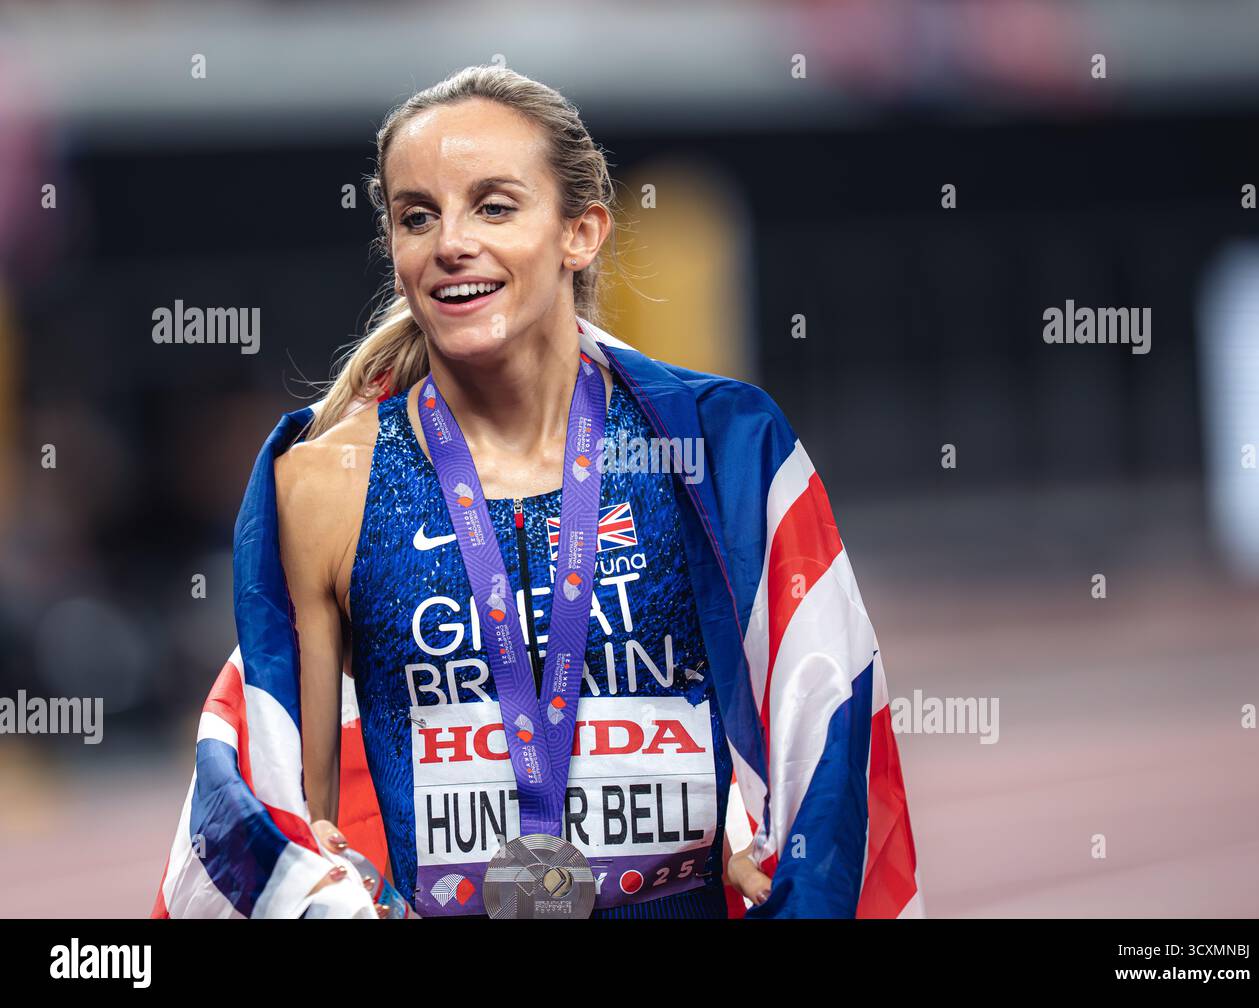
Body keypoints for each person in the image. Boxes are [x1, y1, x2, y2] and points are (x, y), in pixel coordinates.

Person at [152, 65, 920, 920]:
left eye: (494, 205)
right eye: (417, 216)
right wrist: (326, 876)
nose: (451, 242)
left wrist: (758, 835)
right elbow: (301, 821)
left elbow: (820, 720)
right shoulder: (326, 484)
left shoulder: (712, 448)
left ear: (580, 232)